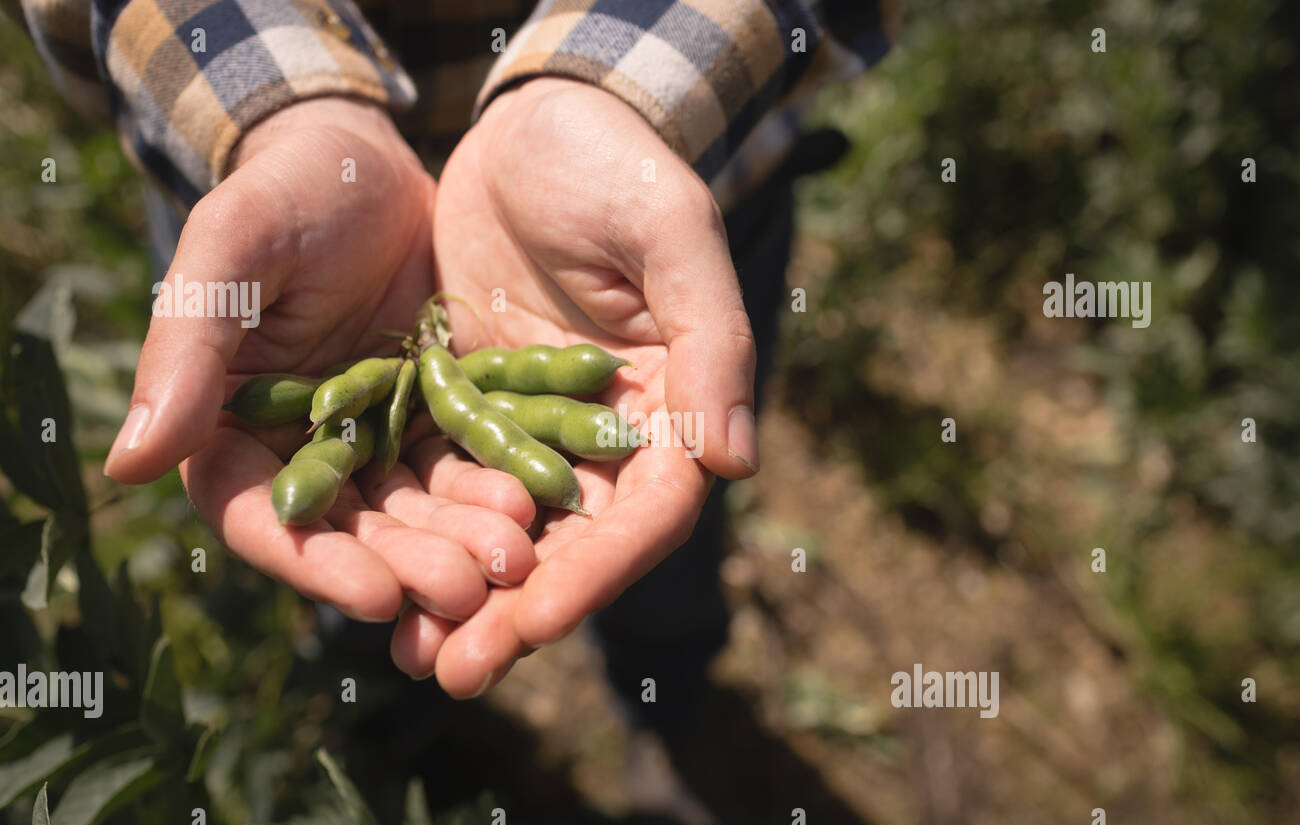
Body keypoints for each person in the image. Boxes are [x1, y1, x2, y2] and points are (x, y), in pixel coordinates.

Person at [12, 0, 895, 722]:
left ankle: (668, 693)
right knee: (351, 557)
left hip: (654, 207)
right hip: (271, 222)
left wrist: (616, 88)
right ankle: (393, 714)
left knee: (670, 513)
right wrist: (281, 111)